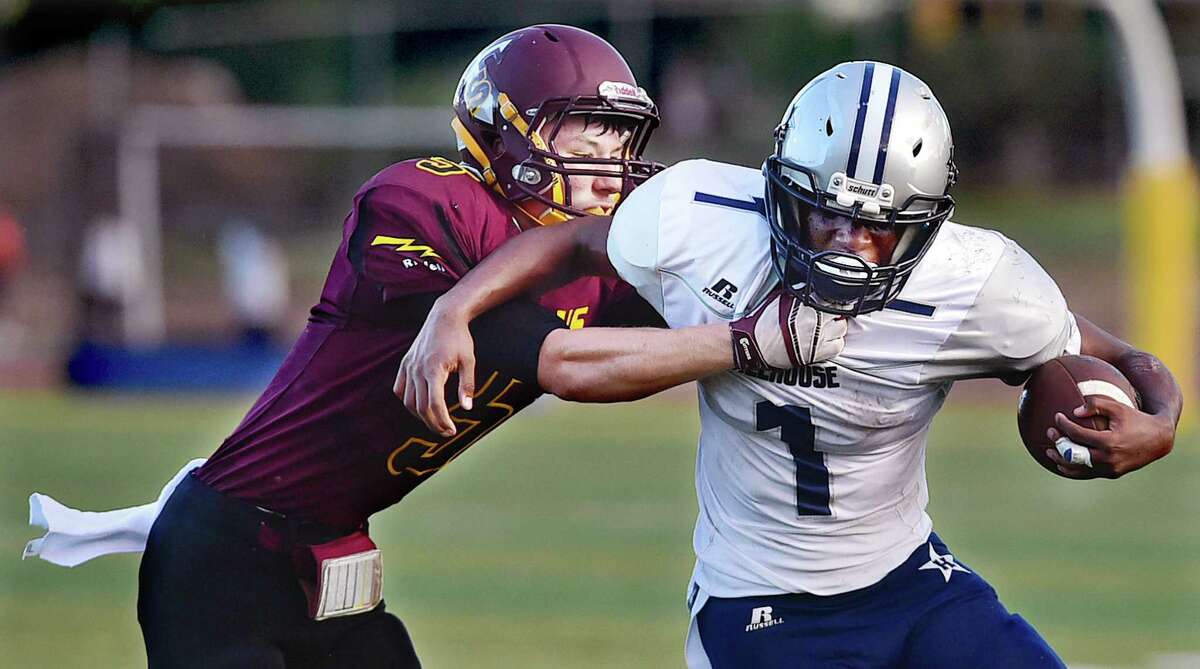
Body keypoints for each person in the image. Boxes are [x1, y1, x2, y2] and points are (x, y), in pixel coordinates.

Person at [397, 61, 1181, 668]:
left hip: (911, 581)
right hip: (760, 602)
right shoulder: (705, 219)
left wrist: (1161, 422)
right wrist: (452, 307)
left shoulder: (978, 284)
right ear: (780, 188)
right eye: (826, 213)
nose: (846, 244)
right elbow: (571, 241)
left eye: (878, 228)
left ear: (926, 226)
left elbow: (1119, 356)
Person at [129, 24, 821, 669]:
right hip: (224, 554)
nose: (613, 174)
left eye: (621, 150)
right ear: (507, 140)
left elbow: (682, 306)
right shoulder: (421, 203)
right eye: (587, 150)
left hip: (331, 551)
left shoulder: (590, 257)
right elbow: (566, 364)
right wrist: (747, 344)